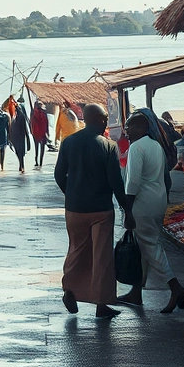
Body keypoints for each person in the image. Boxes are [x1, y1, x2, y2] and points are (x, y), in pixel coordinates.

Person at [53, 104, 125, 319]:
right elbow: (116, 182)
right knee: (102, 256)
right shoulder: (108, 146)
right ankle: (101, 305)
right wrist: (126, 208)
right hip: (101, 210)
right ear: (100, 120)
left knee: (76, 250)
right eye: (104, 118)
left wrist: (71, 194)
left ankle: (69, 291)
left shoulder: (69, 142)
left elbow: (59, 175)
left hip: (75, 209)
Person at [122, 108, 184, 313]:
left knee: (151, 247)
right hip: (158, 201)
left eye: (130, 126)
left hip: (143, 203)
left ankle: (175, 287)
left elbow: (133, 181)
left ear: (141, 127)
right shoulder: (156, 146)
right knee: (146, 246)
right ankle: (136, 292)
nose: (126, 130)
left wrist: (128, 210)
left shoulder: (136, 148)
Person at [9, 102, 30, 174]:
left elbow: (26, 129)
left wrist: (28, 140)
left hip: (20, 137)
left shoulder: (22, 117)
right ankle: (21, 164)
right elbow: (11, 128)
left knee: (21, 152)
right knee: (17, 152)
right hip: (15, 137)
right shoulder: (13, 116)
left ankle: (22, 165)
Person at [30, 102, 51, 169]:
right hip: (39, 132)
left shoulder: (34, 112)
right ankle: (38, 162)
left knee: (38, 148)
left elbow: (31, 122)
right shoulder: (36, 112)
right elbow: (31, 122)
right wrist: (47, 132)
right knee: (40, 148)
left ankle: (38, 161)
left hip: (38, 132)